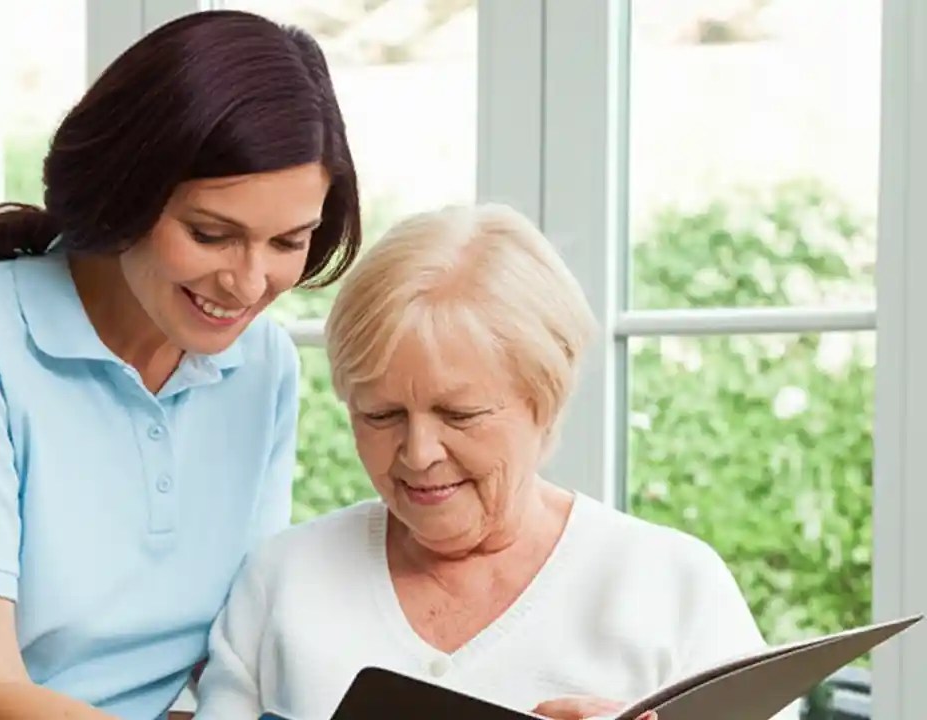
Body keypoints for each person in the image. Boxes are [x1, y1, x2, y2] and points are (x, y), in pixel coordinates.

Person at [0, 10, 360, 720]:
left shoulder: (261, 363)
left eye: (288, 241)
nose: (248, 284)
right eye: (211, 234)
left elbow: (238, 649)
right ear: (125, 190)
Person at [192, 204, 776, 720]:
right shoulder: (284, 580)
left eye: (460, 414)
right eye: (381, 416)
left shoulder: (671, 585)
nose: (419, 455)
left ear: (543, 401)